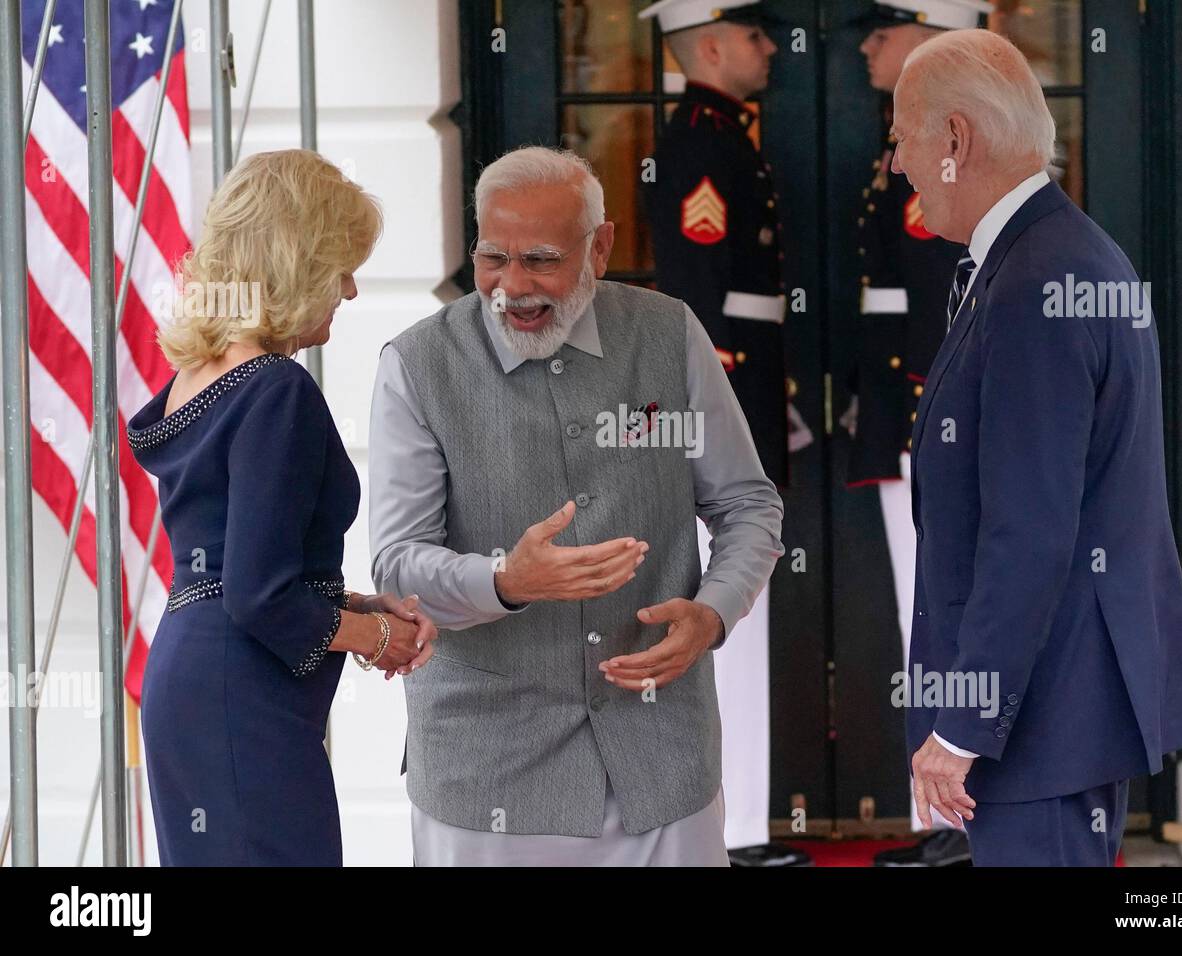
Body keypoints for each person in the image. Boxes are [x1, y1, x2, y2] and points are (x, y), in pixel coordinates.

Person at [368, 145, 784, 866]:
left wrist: (712, 612)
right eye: (492, 258)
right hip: (487, 777)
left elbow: (748, 505)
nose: (512, 286)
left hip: (662, 766)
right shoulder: (415, 364)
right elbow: (397, 565)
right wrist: (505, 582)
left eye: (541, 260)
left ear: (602, 246)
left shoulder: (669, 332)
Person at [894, 30, 1182, 865]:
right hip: (1056, 714)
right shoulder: (1053, 256)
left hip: (1042, 726)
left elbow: (1029, 532)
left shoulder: (1039, 280)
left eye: (902, 139)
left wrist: (963, 724)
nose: (897, 164)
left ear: (955, 141)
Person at [128, 149, 436, 866]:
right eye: (342, 268)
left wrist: (361, 606)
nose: (352, 291)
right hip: (241, 697)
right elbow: (258, 596)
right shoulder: (275, 388)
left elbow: (240, 567)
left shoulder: (199, 377)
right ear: (296, 263)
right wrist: (378, 640)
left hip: (193, 681)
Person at [843, 0, 992, 868]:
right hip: (911, 412)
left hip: (927, 418)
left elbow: (941, 305)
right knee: (929, 616)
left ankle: (954, 825)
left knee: (940, 617)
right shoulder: (918, 137)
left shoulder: (949, 144)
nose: (868, 45)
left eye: (885, 28)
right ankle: (944, 823)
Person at [639, 0, 788, 859]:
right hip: (726, 405)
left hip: (753, 395)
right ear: (714, 45)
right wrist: (721, 420)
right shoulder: (699, 137)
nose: (770, 49)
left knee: (737, 608)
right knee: (728, 605)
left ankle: (746, 824)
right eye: (757, 35)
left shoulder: (725, 131)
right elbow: (701, 304)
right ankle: (733, 830)